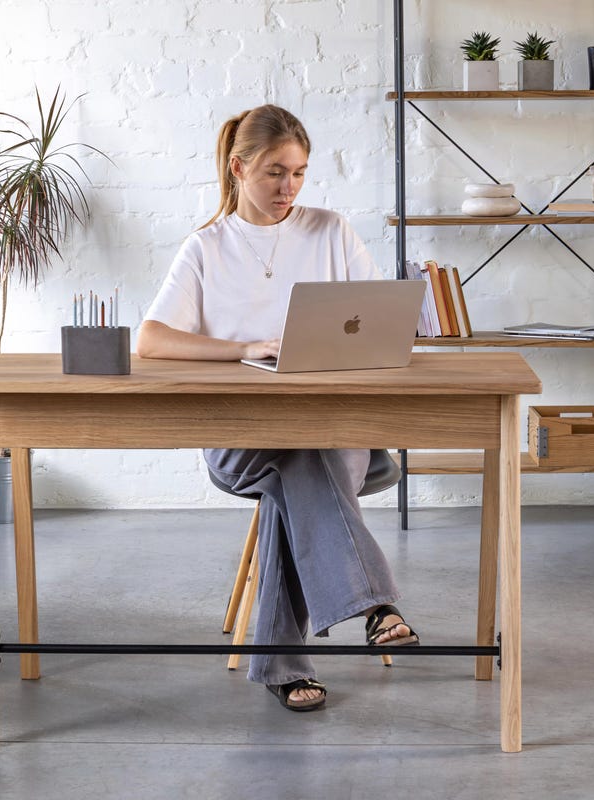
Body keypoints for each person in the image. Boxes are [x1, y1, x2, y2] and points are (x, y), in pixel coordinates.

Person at [137, 104, 418, 712]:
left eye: (298, 172)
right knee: (299, 457)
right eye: (273, 173)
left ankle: (284, 667)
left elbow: (380, 318)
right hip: (242, 440)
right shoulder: (206, 248)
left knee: (302, 464)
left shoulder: (330, 230)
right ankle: (373, 601)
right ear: (239, 168)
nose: (288, 187)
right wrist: (246, 349)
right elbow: (152, 340)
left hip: (336, 430)